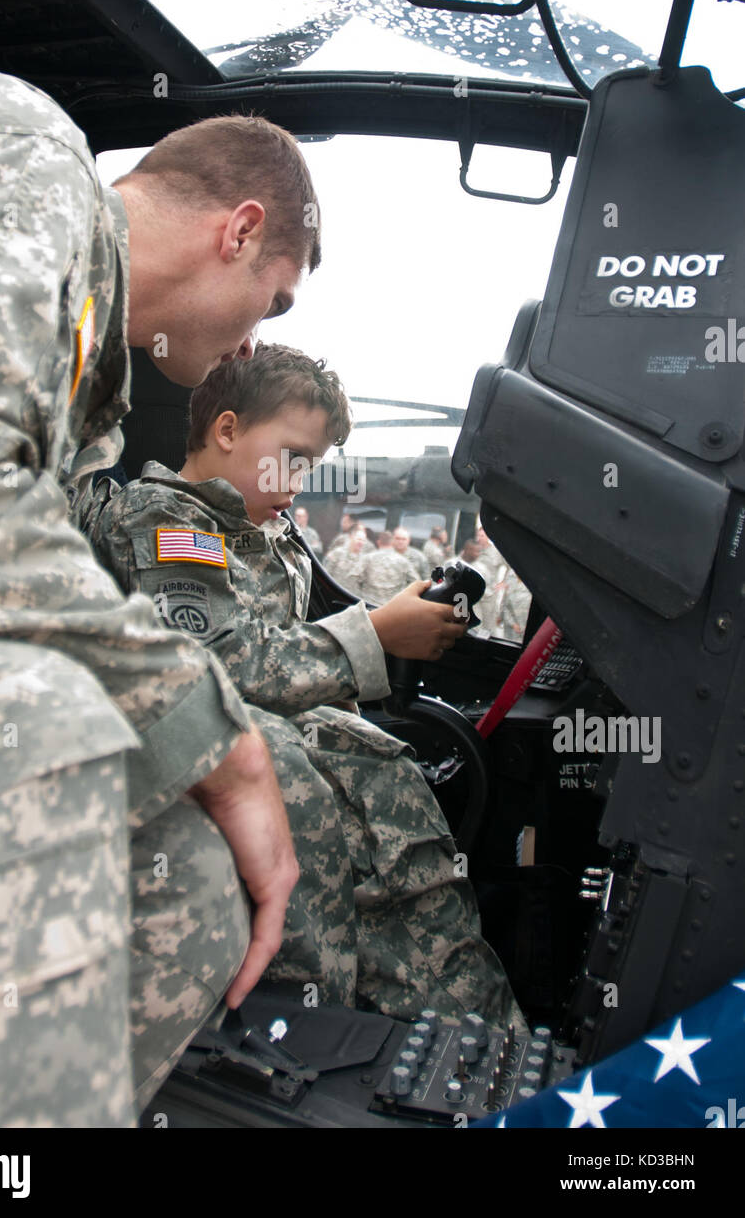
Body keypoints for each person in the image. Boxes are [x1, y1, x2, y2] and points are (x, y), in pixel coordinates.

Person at [0, 69, 322, 1126]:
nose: (256, 340)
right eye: (276, 297)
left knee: (179, 876)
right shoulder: (27, 161)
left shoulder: (82, 365)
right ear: (239, 228)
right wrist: (218, 734)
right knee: (47, 724)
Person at [87, 343, 525, 1031]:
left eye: (311, 466)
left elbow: (298, 640)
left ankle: (470, 1047)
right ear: (227, 431)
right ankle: (316, 1036)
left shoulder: (270, 532)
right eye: (291, 458)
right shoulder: (174, 521)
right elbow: (218, 666)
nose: (298, 483)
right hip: (251, 765)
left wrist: (391, 626)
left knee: (429, 899)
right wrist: (377, 634)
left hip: (328, 758)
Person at [360, 529, 419, 606]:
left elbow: (353, 577)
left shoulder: (367, 558)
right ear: (392, 542)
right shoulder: (403, 561)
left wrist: (359, 596)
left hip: (368, 603)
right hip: (392, 606)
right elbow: (416, 582)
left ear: (378, 542)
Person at [326, 522, 371, 592]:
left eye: (363, 540)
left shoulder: (364, 560)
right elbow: (327, 572)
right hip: (334, 592)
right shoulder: (338, 553)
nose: (360, 542)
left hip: (352, 597)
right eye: (359, 539)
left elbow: (364, 582)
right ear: (351, 537)